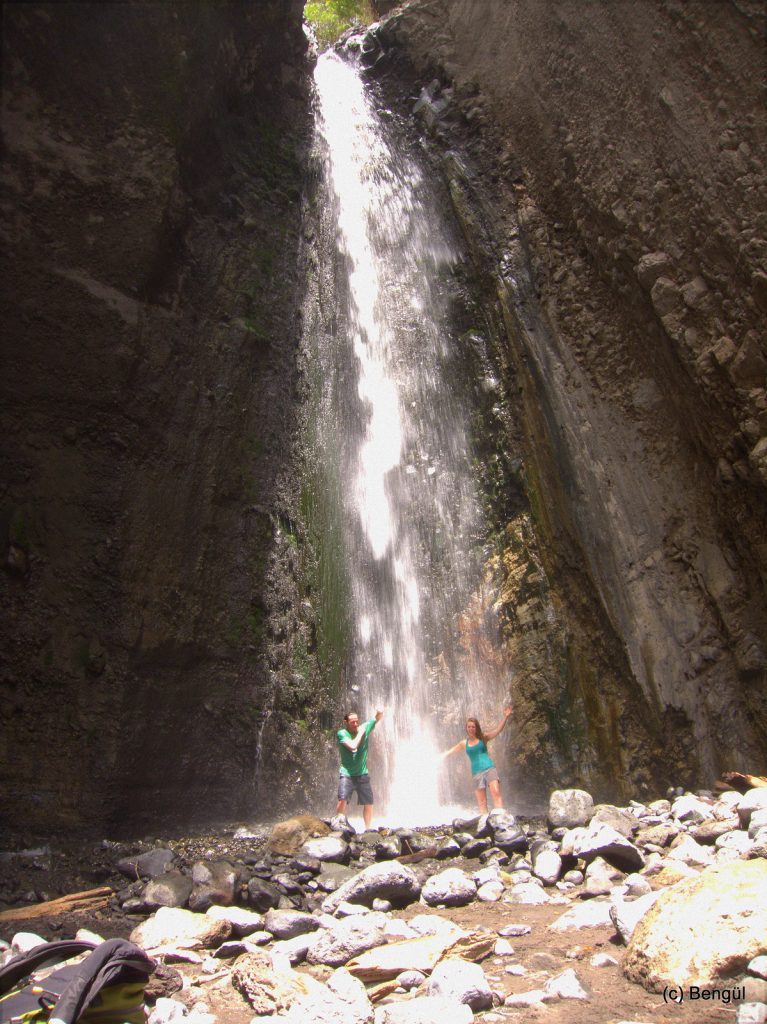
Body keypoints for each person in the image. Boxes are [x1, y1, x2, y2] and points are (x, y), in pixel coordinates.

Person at [441, 705, 513, 812]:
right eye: (469, 727)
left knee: (496, 793)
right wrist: (439, 757)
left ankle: (500, 818)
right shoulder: (463, 743)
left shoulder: (483, 737)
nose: (471, 729)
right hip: (476, 773)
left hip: (489, 768)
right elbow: (450, 752)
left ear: (476, 728)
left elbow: (497, 731)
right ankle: (484, 823)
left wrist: (505, 717)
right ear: (466, 728)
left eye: (473, 727)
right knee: (482, 802)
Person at [336, 708, 383, 828]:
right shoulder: (342, 733)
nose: (356, 724)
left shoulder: (364, 727)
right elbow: (353, 746)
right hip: (347, 773)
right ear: (345, 722)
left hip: (362, 773)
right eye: (352, 722)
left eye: (357, 721)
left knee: (368, 802)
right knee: (342, 799)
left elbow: (377, 718)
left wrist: (379, 712)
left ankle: (367, 828)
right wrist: (361, 733)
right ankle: (338, 824)